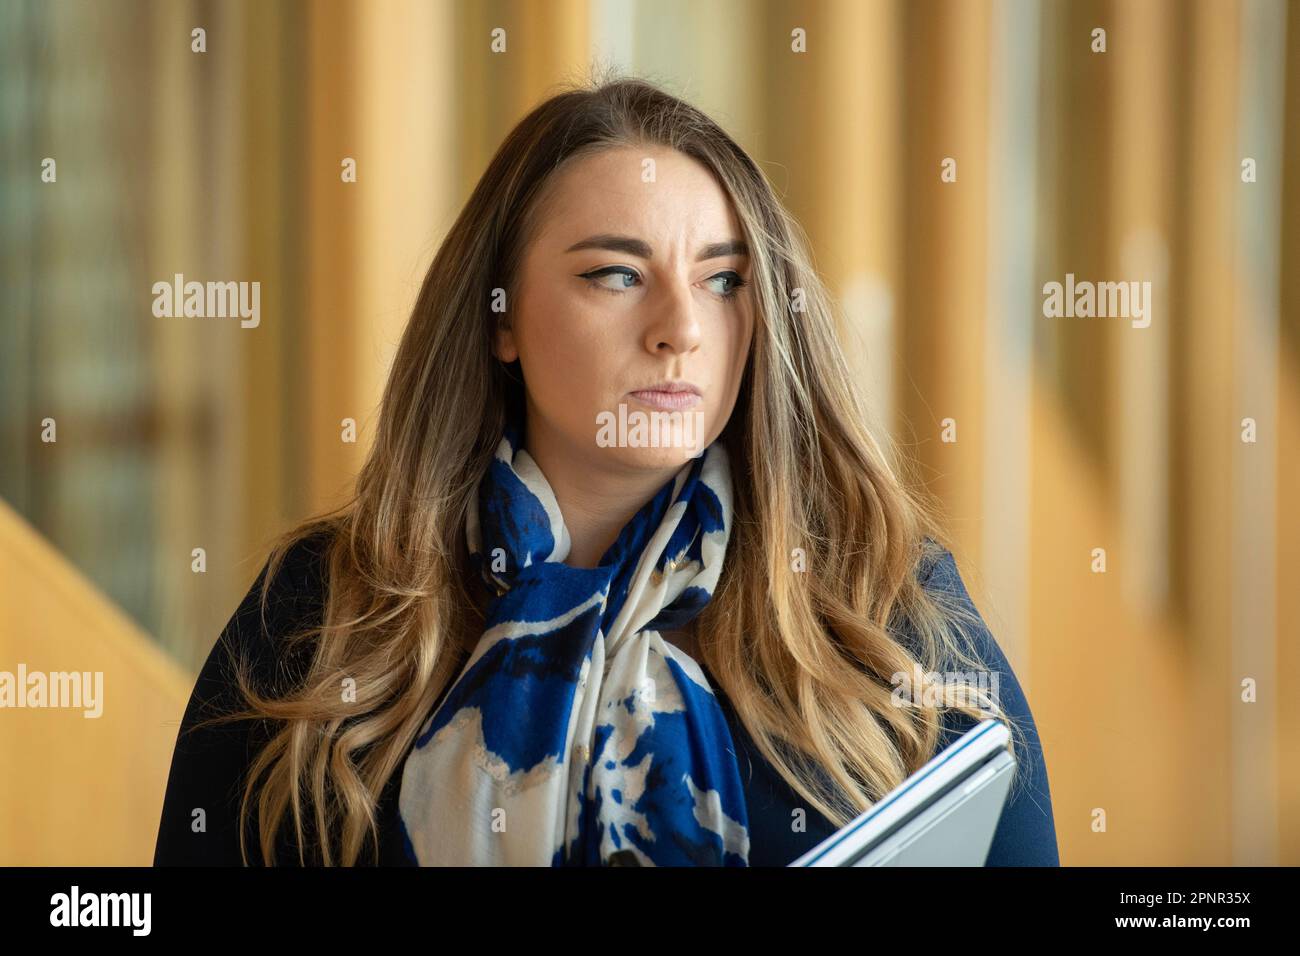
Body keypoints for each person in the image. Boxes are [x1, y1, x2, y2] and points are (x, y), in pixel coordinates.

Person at [154, 74, 1058, 867]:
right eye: (617, 275)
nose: (682, 328)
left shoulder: (878, 599)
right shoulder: (328, 609)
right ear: (500, 319)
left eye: (723, 279)